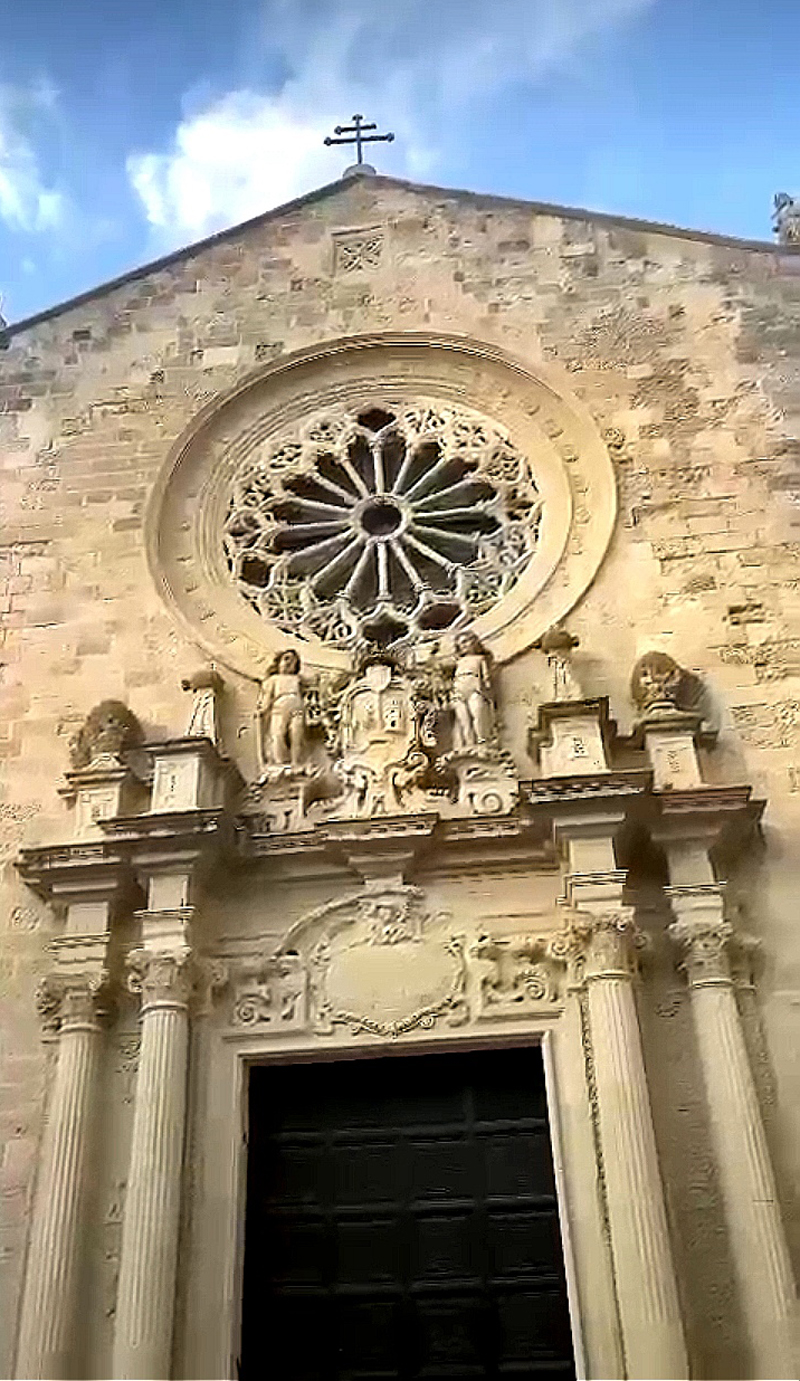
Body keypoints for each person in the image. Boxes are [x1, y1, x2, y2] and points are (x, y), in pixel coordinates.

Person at [257, 650, 306, 770]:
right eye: (286, 659)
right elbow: (268, 696)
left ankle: (296, 761)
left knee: (296, 735)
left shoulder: (297, 680)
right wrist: (263, 708)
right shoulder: (274, 679)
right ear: (278, 663)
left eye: (293, 661)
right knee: (278, 734)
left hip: (297, 709)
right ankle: (280, 762)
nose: (289, 663)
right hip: (279, 708)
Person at [451, 632, 495, 748]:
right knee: (464, 721)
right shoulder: (459, 662)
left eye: (466, 641)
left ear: (474, 642)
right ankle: (469, 744)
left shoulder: (480, 659)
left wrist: (487, 686)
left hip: (475, 688)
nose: (463, 645)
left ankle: (482, 741)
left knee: (478, 716)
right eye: (460, 643)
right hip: (459, 691)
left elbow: (486, 676)